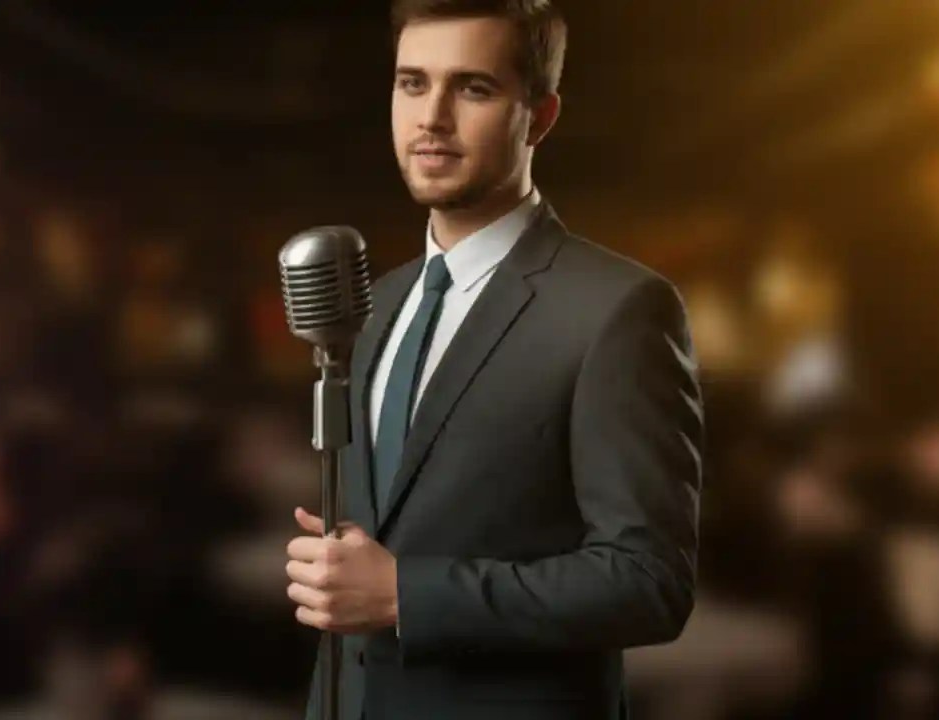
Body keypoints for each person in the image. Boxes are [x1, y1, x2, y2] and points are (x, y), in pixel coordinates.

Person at [284, 2, 704, 718]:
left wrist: (403, 594)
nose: (432, 118)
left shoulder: (617, 309)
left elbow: (648, 582)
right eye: (412, 84)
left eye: (473, 88)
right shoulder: (373, 307)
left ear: (539, 117)